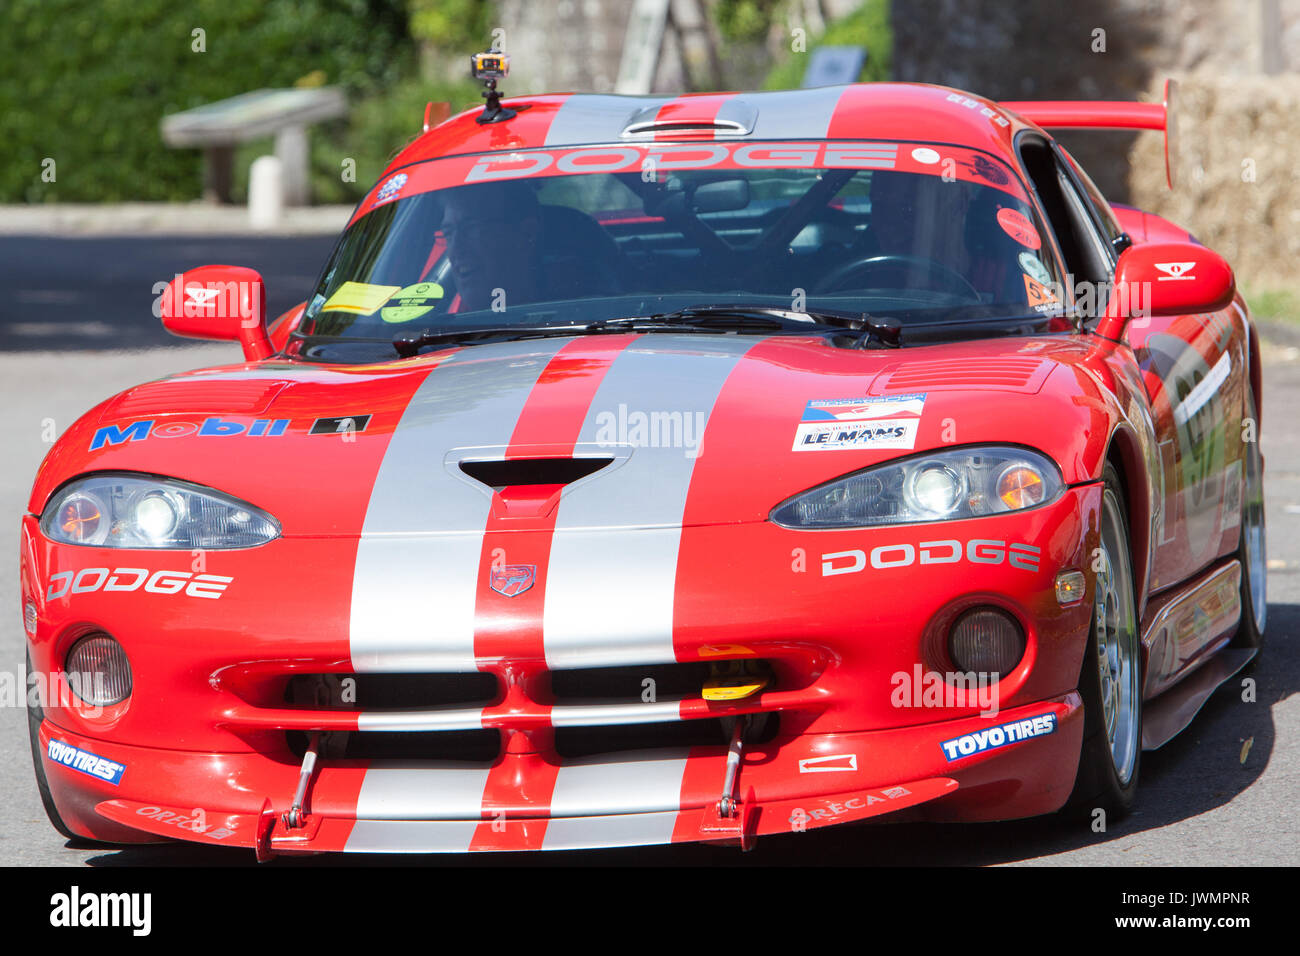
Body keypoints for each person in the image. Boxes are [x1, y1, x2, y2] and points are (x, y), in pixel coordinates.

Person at [439, 180, 543, 312]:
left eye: (471, 228)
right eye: (448, 233)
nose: (456, 249)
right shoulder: (436, 324)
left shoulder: (573, 304)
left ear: (527, 233)